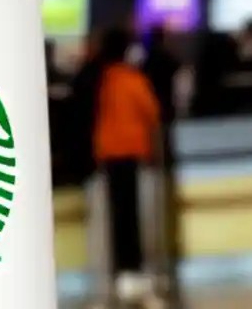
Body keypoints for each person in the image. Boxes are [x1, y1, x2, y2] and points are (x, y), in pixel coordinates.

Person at [93, 27, 161, 301]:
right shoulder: (133, 79)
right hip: (132, 153)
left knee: (116, 216)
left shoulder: (103, 80)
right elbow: (152, 112)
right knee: (132, 216)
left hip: (108, 153)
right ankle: (134, 270)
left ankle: (120, 273)